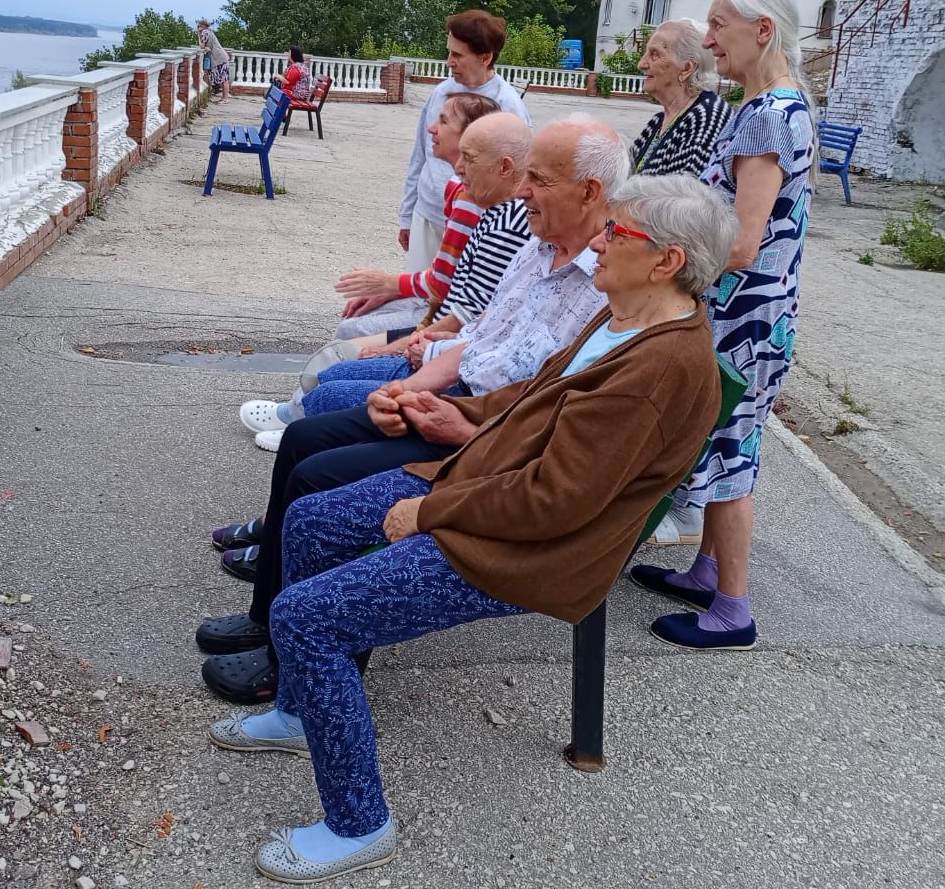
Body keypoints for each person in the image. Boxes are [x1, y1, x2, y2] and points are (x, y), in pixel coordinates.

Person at [207, 174, 736, 883]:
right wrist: (460, 416)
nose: (600, 242)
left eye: (618, 233)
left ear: (667, 260)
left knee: (306, 618)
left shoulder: (658, 367)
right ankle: (303, 713)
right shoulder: (625, 314)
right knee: (307, 520)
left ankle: (359, 824)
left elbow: (555, 504)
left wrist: (429, 511)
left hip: (530, 548)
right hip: (488, 488)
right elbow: (538, 395)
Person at [199, 118, 626, 701]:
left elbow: (554, 412)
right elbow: (476, 342)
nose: (522, 189)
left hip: (486, 437)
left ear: (590, 192)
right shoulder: (539, 246)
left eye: (538, 179)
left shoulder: (610, 286)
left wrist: (462, 422)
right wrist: (409, 390)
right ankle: (267, 613)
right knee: (302, 440)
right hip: (452, 404)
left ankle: (288, 661)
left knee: (316, 477)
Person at [631, 0, 817, 651]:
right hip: (757, 316)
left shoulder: (768, 114)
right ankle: (707, 570)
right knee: (722, 442)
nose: (707, 41)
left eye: (718, 27)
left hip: (745, 319)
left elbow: (741, 242)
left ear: (761, 30)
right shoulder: (768, 105)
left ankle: (732, 609)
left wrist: (671, 277)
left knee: (732, 455)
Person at [235, 112, 533, 455]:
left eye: (469, 157)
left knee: (341, 364)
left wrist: (406, 333)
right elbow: (460, 299)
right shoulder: (493, 208)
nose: (460, 166)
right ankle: (298, 418)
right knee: (344, 353)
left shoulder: (507, 221)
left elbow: (466, 312)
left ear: (505, 167)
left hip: (454, 360)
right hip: (443, 342)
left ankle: (302, 423)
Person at [631, 17, 732, 547]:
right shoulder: (660, 121)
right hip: (645, 266)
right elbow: (626, 184)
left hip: (678, 272)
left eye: (656, 53)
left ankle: (687, 506)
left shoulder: (708, 119)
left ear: (688, 67)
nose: (644, 63)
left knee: (678, 391)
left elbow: (685, 206)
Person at [327, 94, 505, 341]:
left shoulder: (470, 197)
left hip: (449, 317)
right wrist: (390, 289)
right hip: (444, 306)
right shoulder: (459, 186)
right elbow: (445, 272)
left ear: (469, 136)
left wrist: (387, 284)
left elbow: (443, 284)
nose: (432, 128)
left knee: (351, 330)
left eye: (443, 122)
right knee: (361, 317)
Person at [398, 11, 530, 272]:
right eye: (449, 52)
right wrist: (408, 214)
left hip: (474, 225)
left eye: (458, 55)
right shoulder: (441, 92)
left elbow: (517, 177)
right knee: (420, 303)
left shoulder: (508, 106)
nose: (449, 61)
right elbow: (420, 155)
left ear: (485, 57)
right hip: (429, 214)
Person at [197, 19, 233, 94]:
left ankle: (225, 99)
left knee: (223, 79)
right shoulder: (209, 32)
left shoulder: (205, 32)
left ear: (202, 26)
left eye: (199, 25)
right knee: (222, 79)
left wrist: (198, 34)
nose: (198, 26)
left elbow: (202, 45)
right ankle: (224, 98)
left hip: (219, 58)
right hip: (221, 57)